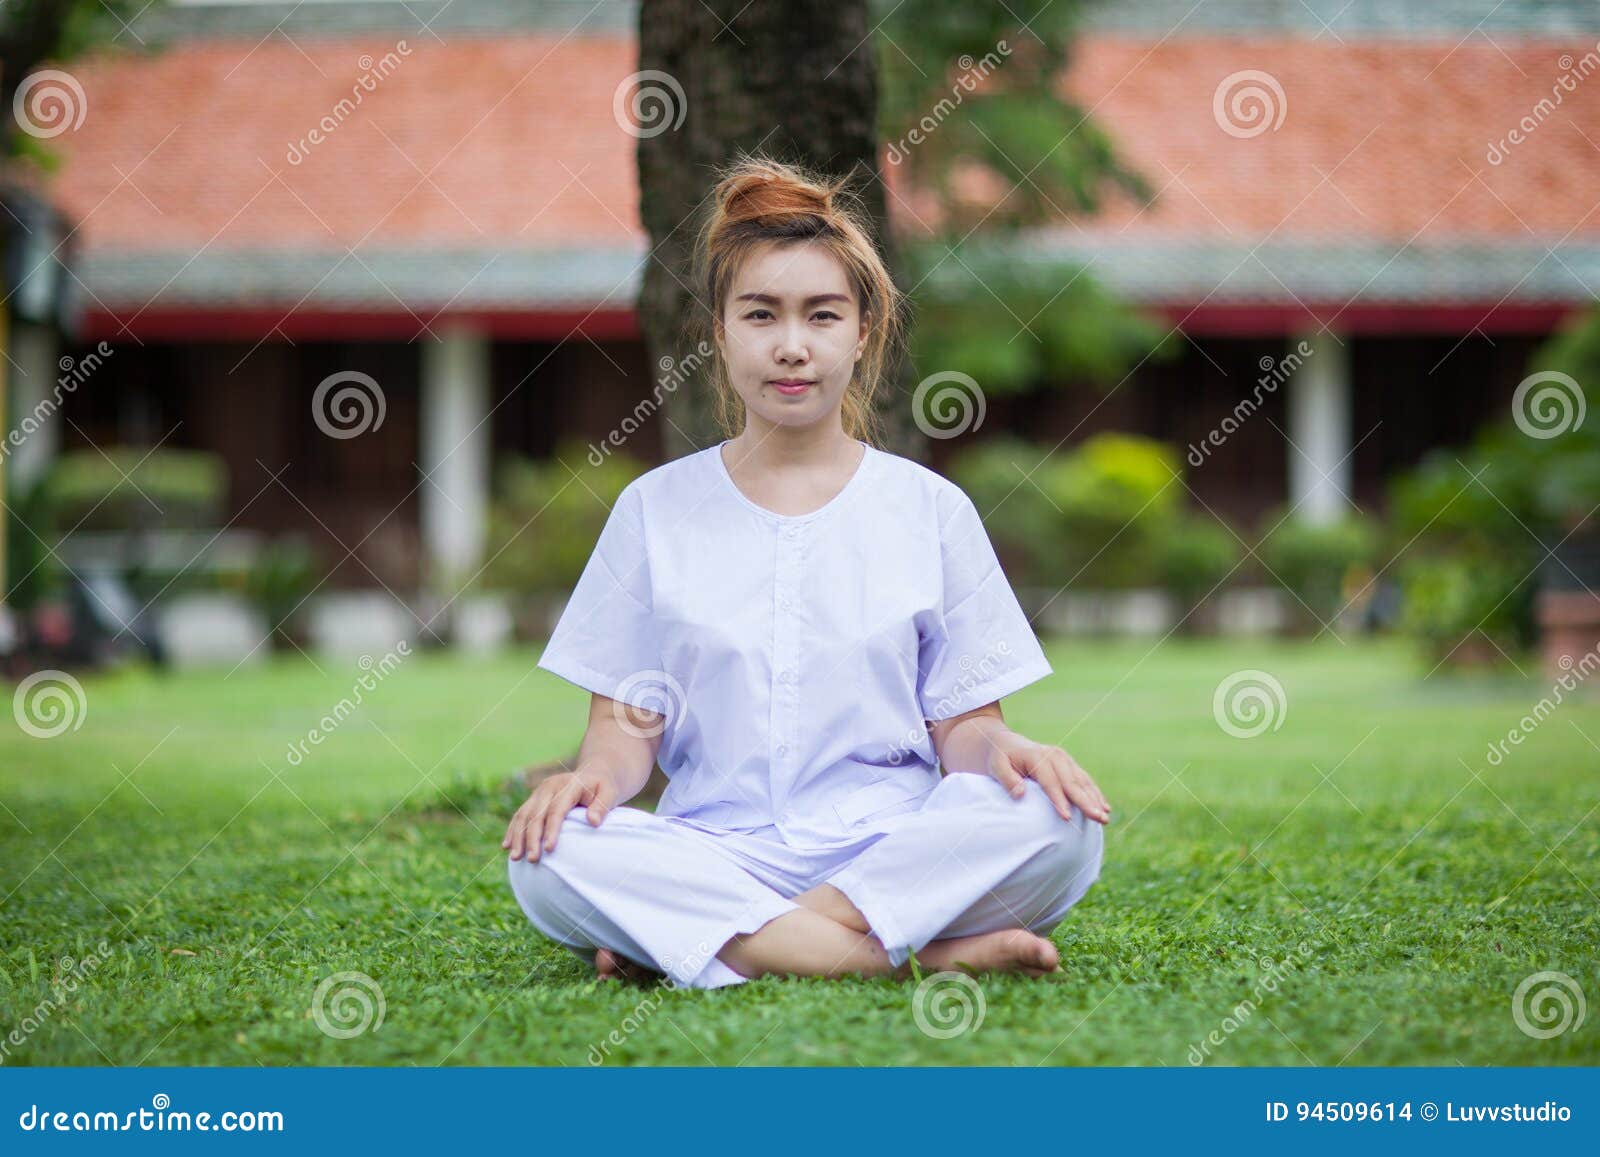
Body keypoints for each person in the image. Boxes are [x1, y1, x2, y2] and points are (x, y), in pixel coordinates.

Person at [504, 155, 1110, 989]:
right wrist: (589, 783)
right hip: (711, 848)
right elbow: (624, 731)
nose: (792, 347)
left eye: (821, 315)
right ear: (720, 332)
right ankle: (904, 957)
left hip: (888, 848)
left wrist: (1009, 746)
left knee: (1059, 819)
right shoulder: (654, 509)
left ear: (862, 332)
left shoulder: (930, 510)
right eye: (761, 315)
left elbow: (965, 727)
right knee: (551, 852)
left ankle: (725, 944)